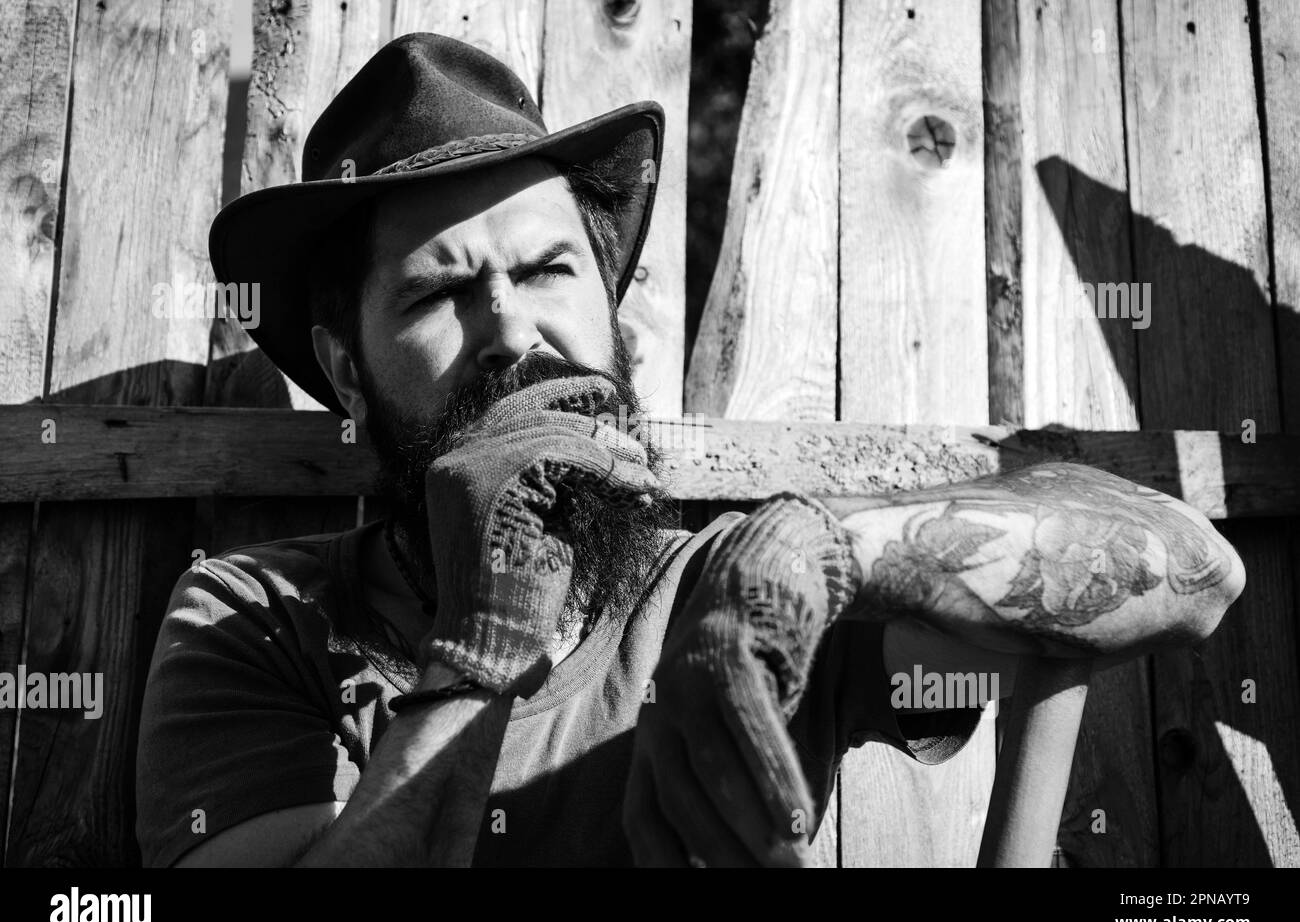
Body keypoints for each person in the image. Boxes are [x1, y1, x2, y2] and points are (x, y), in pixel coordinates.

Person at [136, 33, 1246, 868]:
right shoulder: (255, 617)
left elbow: (1193, 568)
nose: (513, 331)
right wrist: (484, 635)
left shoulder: (721, 589)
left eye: (547, 272)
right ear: (343, 368)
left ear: (607, 315)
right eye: (441, 291)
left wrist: (822, 558)